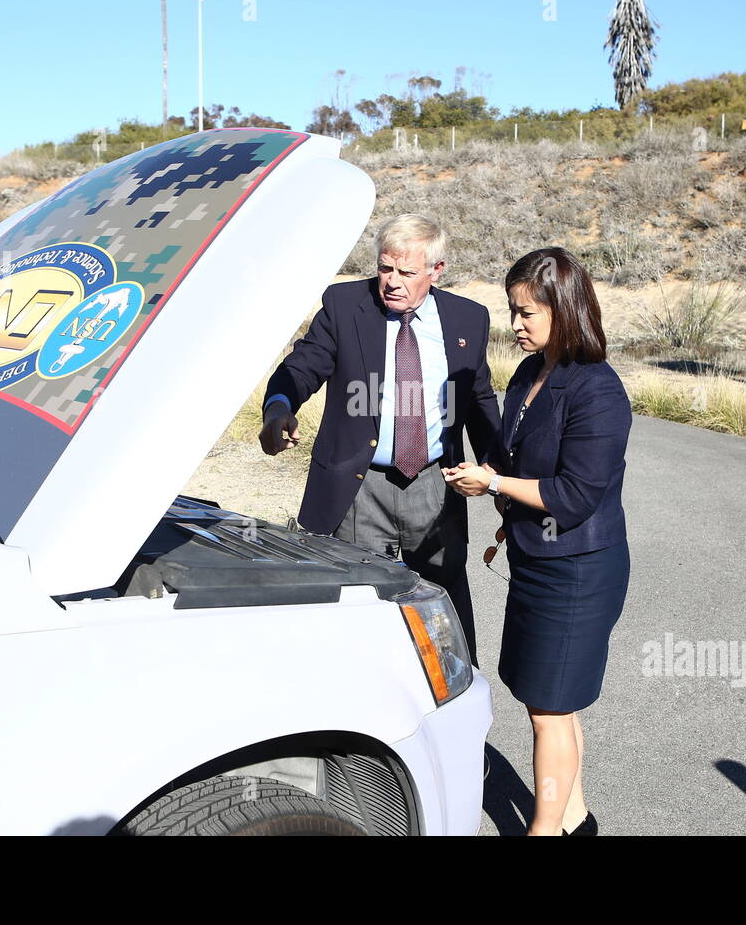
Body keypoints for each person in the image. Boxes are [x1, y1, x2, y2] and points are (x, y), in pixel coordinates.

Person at [445, 246, 632, 836]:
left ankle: (544, 830)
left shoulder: (598, 391)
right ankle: (575, 820)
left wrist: (495, 481)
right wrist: (500, 493)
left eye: (528, 313)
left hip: (578, 570)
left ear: (566, 310)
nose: (515, 325)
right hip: (537, 556)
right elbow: (522, 458)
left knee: (551, 710)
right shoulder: (530, 373)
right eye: (512, 311)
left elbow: (575, 495)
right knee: (547, 701)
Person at [259, 213, 501, 667]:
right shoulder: (344, 304)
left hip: (436, 482)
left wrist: (496, 470)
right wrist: (278, 407)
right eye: (384, 267)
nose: (391, 282)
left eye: (406, 272)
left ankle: (457, 684)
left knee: (442, 593)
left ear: (437, 270)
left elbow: (481, 398)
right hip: (358, 483)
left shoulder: (469, 318)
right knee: (356, 597)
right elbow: (304, 365)